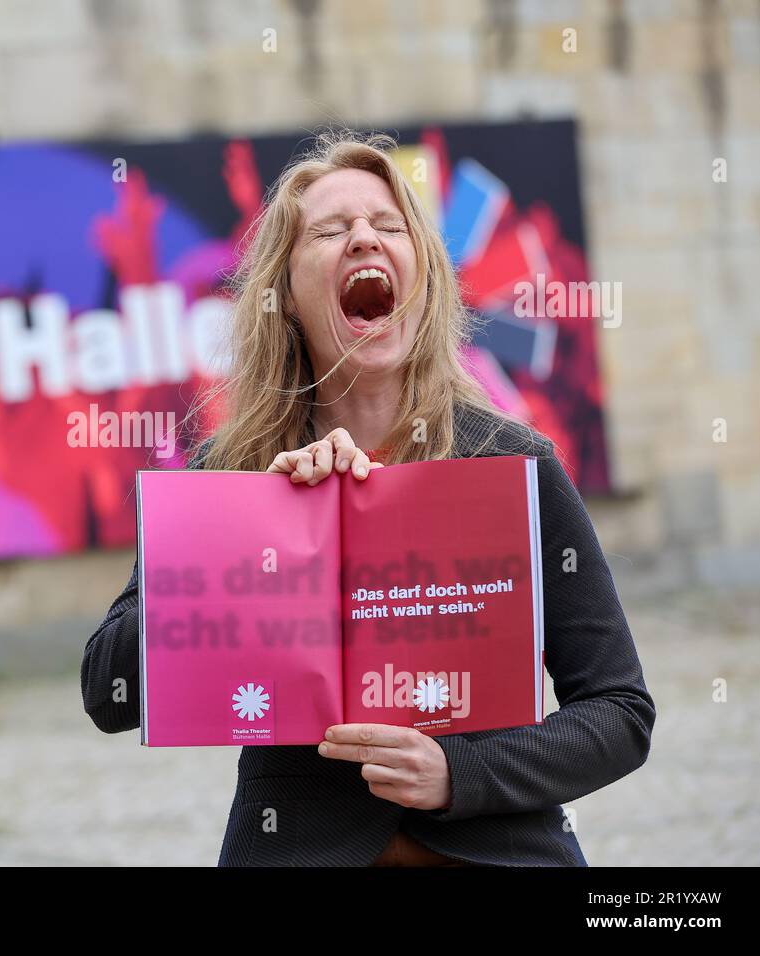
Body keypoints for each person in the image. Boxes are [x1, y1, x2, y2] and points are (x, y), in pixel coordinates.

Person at [80, 130, 655, 866]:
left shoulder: (512, 462)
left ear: (425, 278)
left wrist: (460, 773)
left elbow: (619, 714)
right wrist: (258, 530)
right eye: (329, 231)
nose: (362, 239)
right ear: (284, 295)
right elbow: (110, 692)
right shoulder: (228, 473)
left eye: (388, 226)